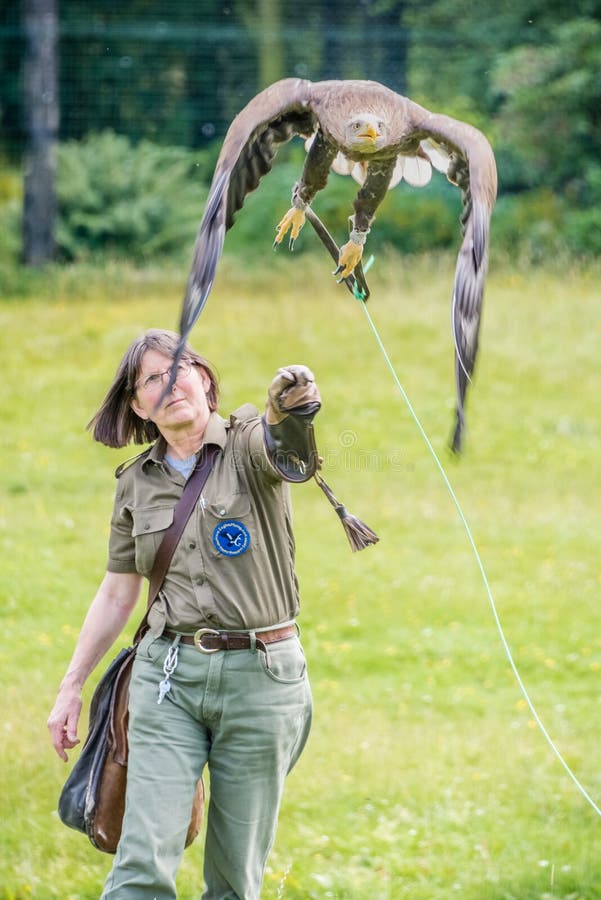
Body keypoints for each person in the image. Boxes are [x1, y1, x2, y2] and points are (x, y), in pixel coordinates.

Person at [47, 328, 322, 900]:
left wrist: (291, 409)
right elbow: (118, 592)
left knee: (233, 879)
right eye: (151, 378)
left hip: (262, 678)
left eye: (179, 366)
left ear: (204, 379)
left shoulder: (248, 442)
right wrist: (71, 686)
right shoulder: (134, 484)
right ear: (137, 405)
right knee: (142, 864)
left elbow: (286, 451)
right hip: (166, 678)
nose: (169, 382)